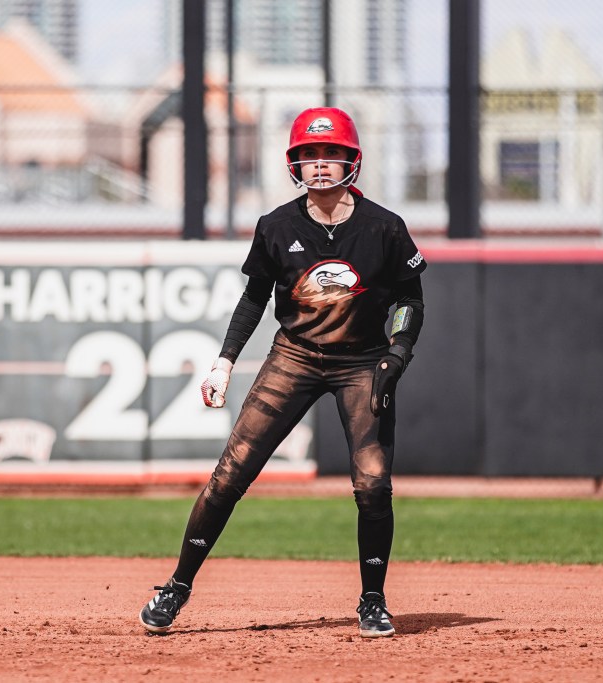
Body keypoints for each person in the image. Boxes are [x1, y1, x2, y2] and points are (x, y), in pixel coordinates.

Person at [139, 106, 426, 638]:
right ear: (294, 163)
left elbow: (411, 299)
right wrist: (225, 361)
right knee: (231, 473)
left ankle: (373, 599)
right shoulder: (276, 226)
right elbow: (253, 300)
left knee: (373, 483)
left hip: (361, 360)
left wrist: (397, 353)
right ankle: (176, 587)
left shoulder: (385, 227)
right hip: (293, 355)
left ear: (352, 160)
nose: (320, 164)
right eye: (309, 155)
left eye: (331, 153)